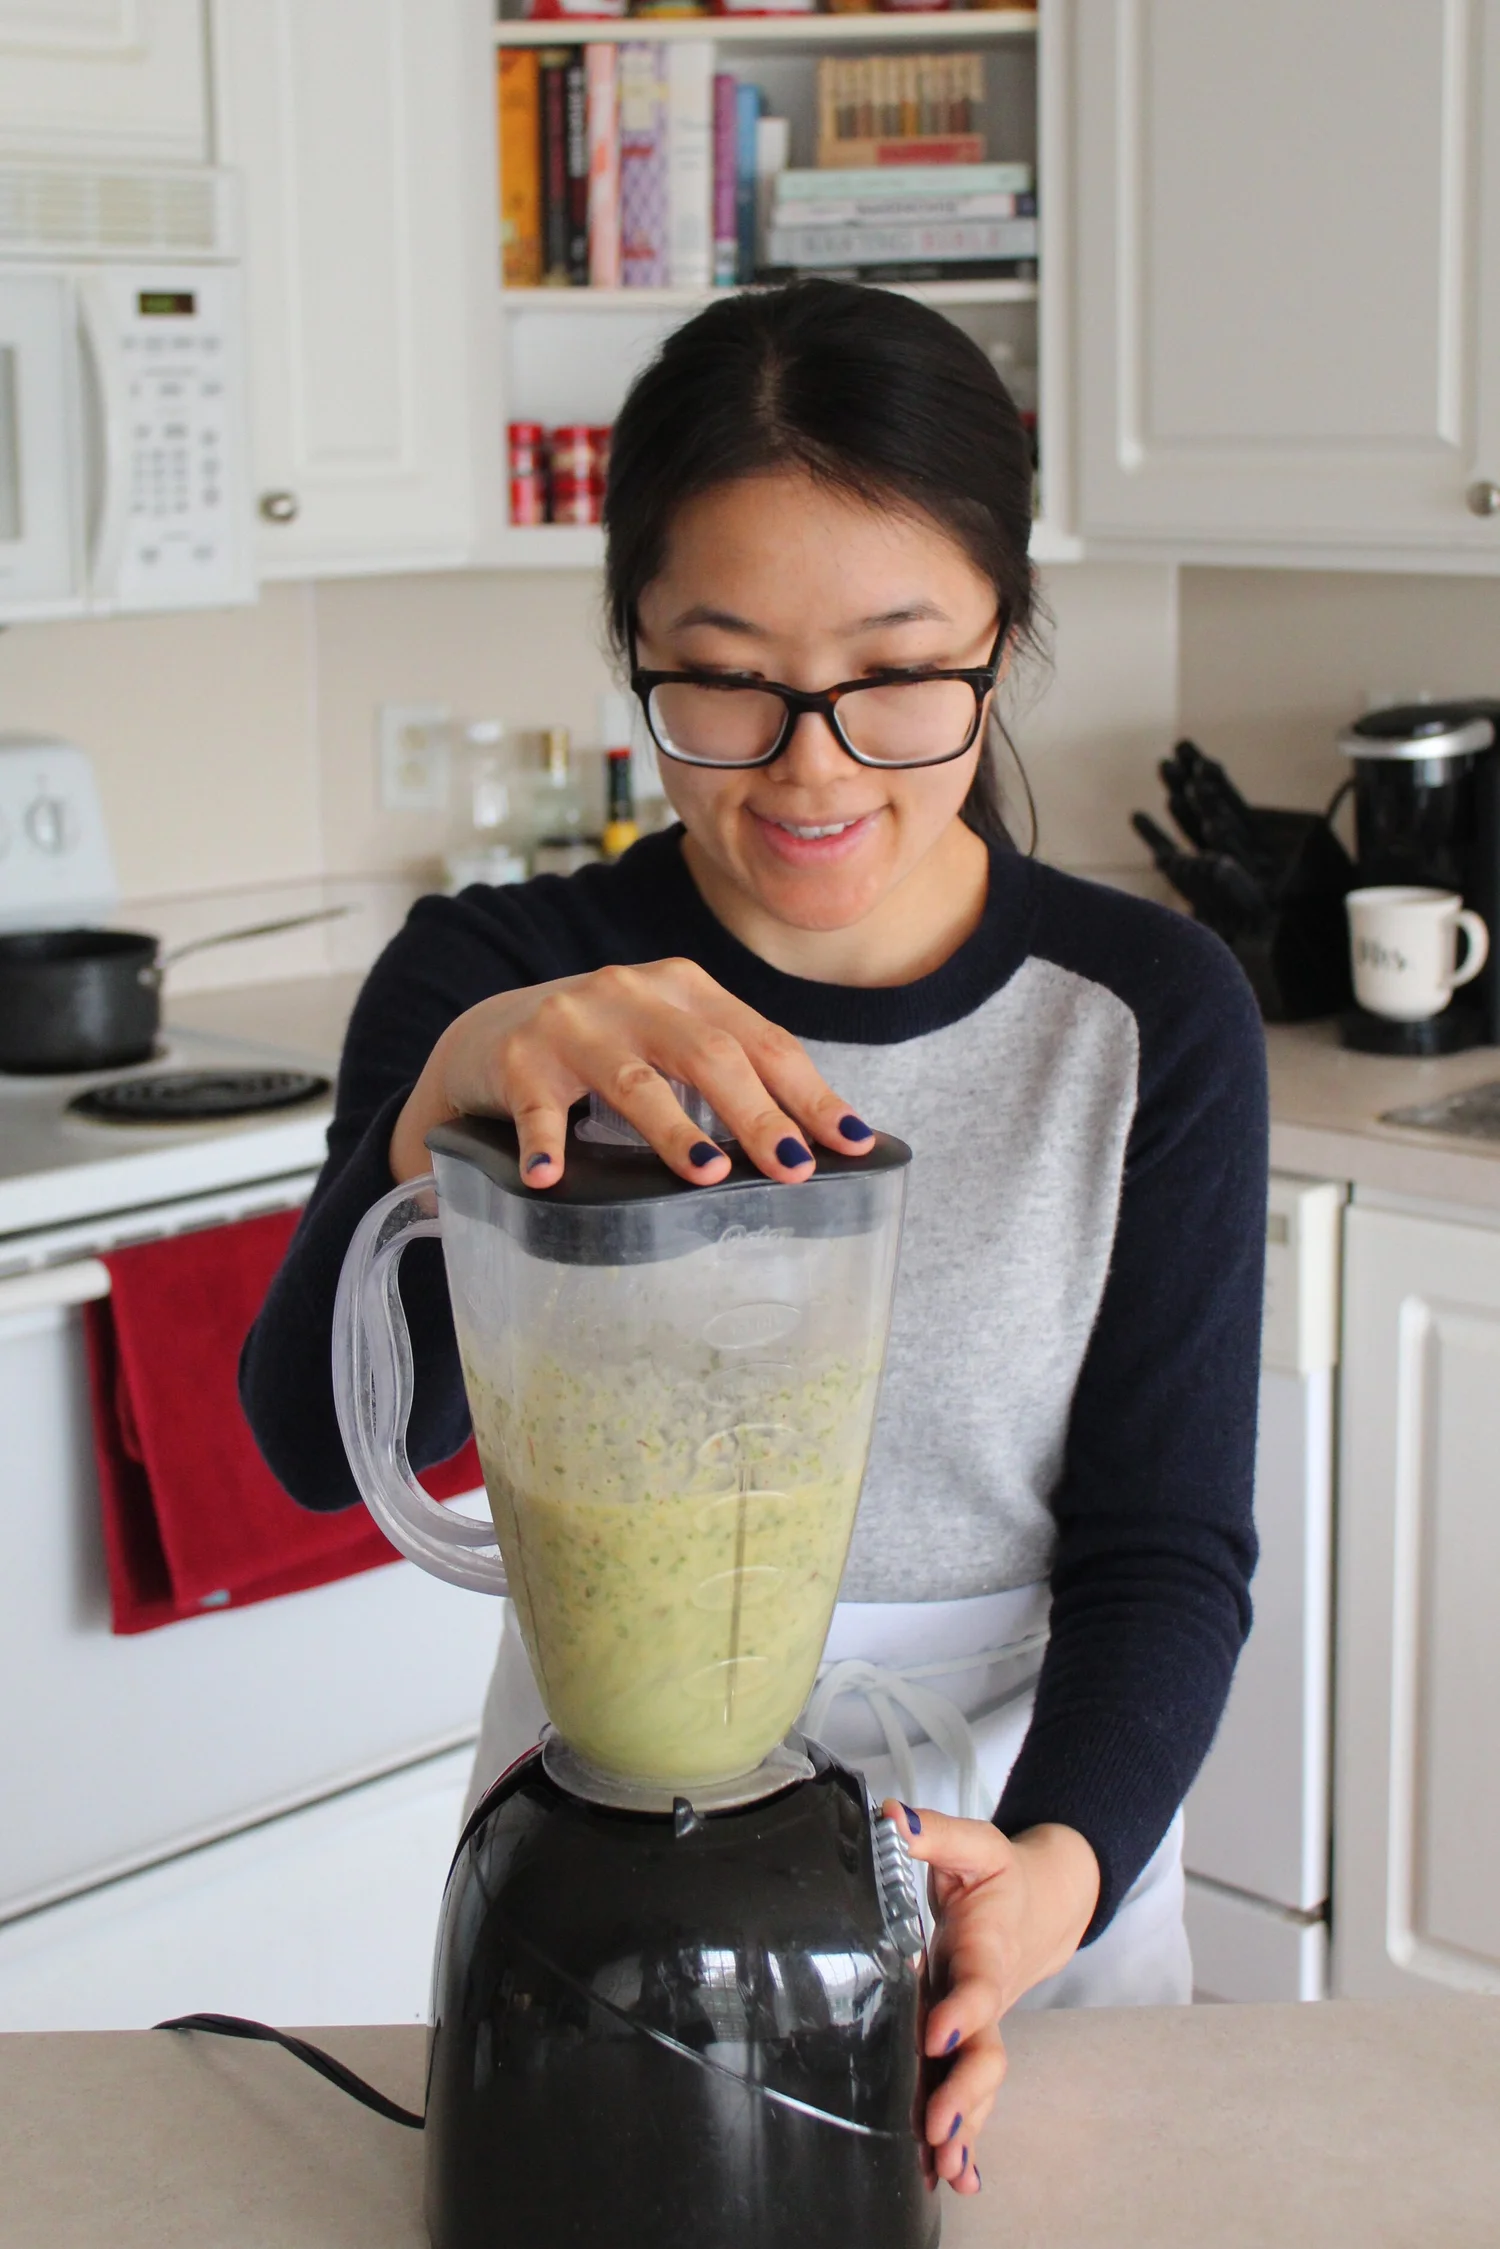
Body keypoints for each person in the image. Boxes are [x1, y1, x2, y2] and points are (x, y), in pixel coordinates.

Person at [241, 279, 1266, 2198]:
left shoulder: (1144, 1013)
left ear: (1005, 639)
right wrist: (446, 1106)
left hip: (1025, 1862)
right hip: (614, 1828)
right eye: (721, 675)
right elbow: (318, 1448)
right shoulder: (502, 978)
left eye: (896, 674)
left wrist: (1053, 1877)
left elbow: (1166, 1551)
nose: (810, 768)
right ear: (633, 643)